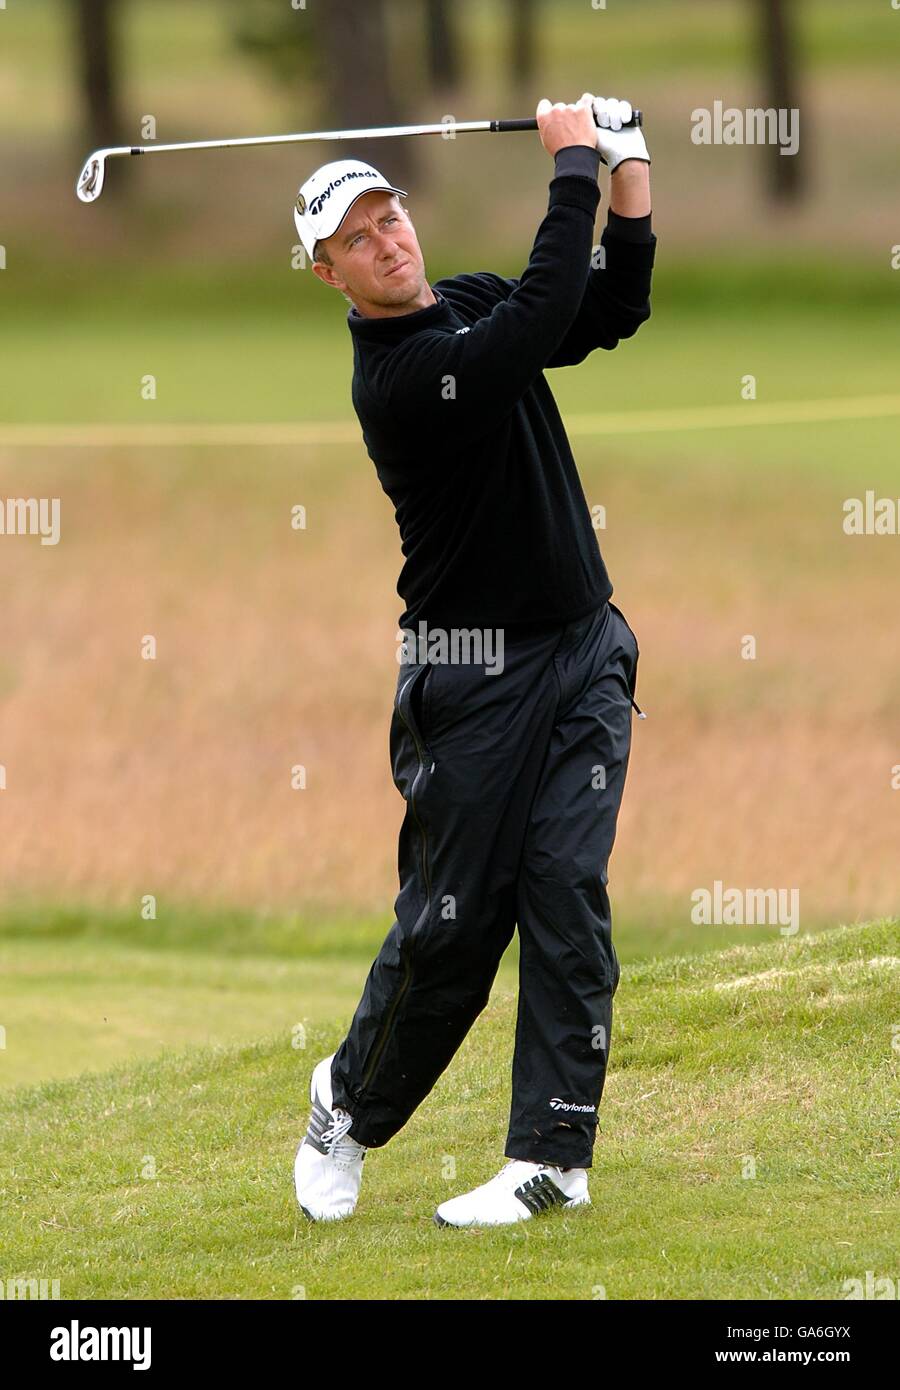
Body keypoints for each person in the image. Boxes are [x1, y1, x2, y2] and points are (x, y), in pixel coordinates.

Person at [292, 94, 655, 1227]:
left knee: (565, 890)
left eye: (389, 217)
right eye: (356, 239)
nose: (386, 241)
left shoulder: (471, 300)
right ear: (329, 276)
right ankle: (347, 1107)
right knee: (454, 926)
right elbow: (530, 324)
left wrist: (629, 170)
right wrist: (573, 164)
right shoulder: (400, 380)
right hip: (472, 676)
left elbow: (608, 304)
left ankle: (551, 1158)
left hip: (585, 644)